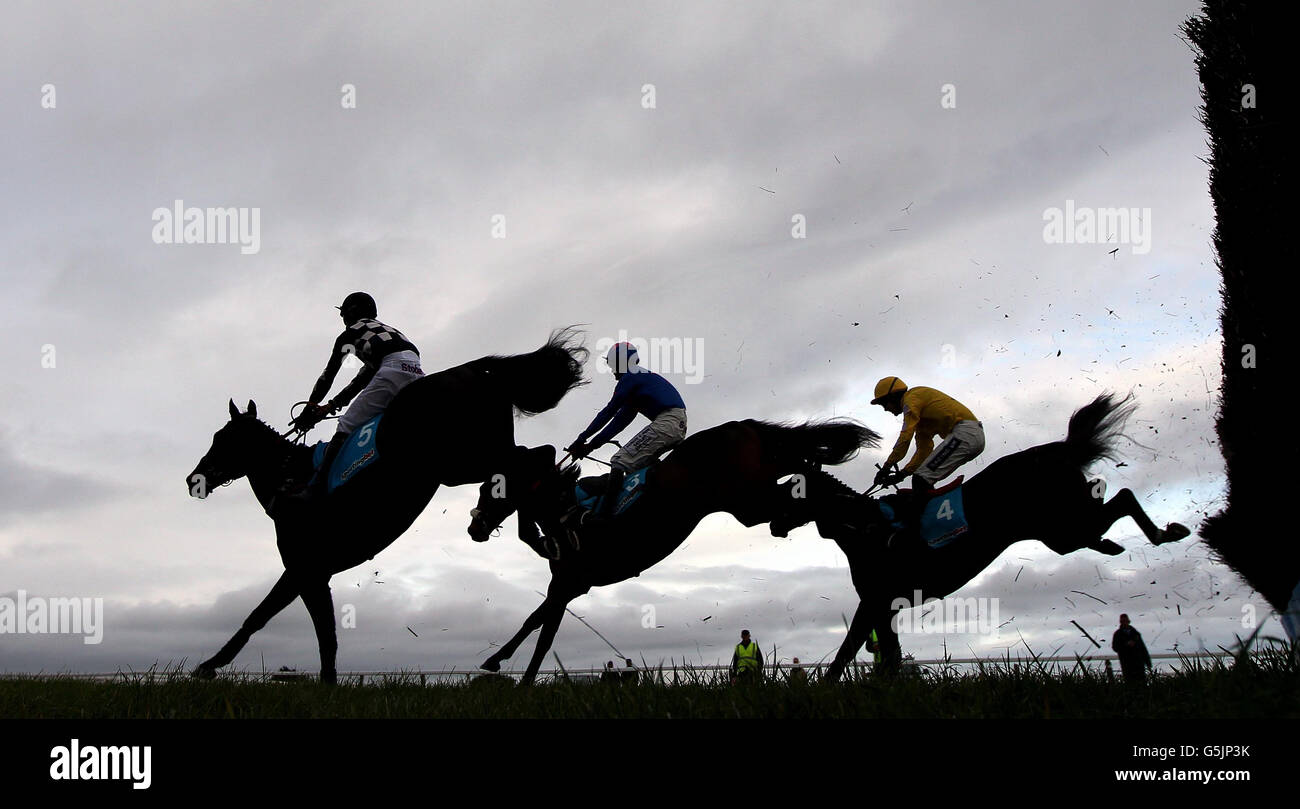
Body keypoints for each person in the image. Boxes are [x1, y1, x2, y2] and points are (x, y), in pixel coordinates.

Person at [280, 293, 423, 507]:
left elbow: (328, 376)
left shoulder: (349, 335)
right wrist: (331, 405)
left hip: (392, 370)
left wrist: (309, 409)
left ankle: (316, 487)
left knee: (346, 424)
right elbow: (362, 380)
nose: (343, 318)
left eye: (343, 313)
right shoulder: (387, 333)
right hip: (417, 372)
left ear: (351, 311)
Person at [566, 342, 687, 522]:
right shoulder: (638, 384)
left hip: (667, 422)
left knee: (619, 460)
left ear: (620, 362)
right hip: (674, 423)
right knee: (636, 468)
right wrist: (590, 446)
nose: (612, 372)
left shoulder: (630, 378)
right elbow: (618, 423)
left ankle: (604, 517)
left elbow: (609, 411)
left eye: (613, 366)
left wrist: (581, 439)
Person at [870, 376, 984, 531]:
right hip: (968, 435)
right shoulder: (921, 417)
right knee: (922, 477)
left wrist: (887, 466)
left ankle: (913, 529)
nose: (885, 409)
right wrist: (902, 474)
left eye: (884, 403)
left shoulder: (912, 399)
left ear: (893, 396)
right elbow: (923, 450)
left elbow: (905, 437)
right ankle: (932, 520)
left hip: (965, 434)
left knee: (920, 479)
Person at [1111, 614, 1152, 684]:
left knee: (1141, 682)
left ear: (1128, 621)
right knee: (1130, 682)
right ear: (1121, 622)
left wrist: (1148, 663)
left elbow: (1143, 648)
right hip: (1126, 663)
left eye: (1125, 621)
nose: (1124, 623)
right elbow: (1115, 647)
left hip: (1139, 663)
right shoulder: (1118, 634)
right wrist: (1126, 645)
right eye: (1123, 621)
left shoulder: (1135, 633)